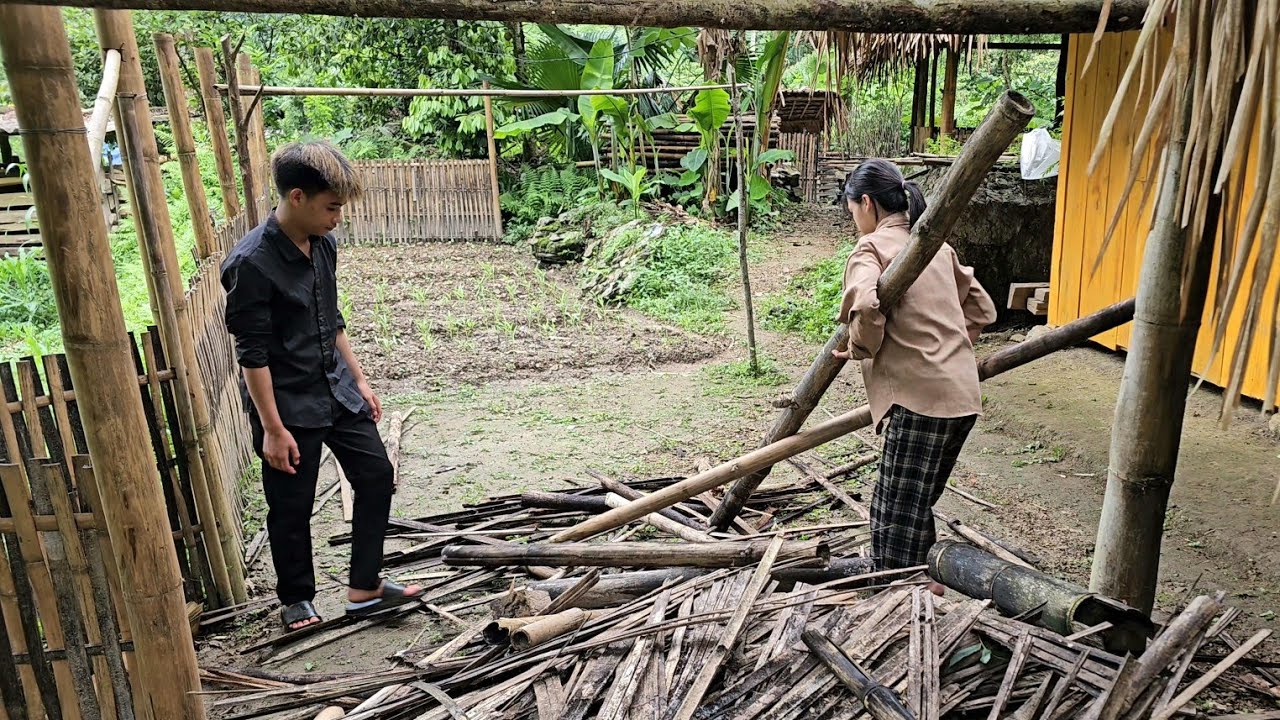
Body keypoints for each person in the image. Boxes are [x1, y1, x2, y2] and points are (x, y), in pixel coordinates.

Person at [222, 141, 422, 631]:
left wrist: (359, 378)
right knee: (292, 502)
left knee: (376, 474)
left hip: (335, 387)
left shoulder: (323, 244)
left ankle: (364, 588)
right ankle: (296, 599)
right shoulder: (250, 263)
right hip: (286, 402)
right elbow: (253, 354)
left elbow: (331, 318)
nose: (337, 218)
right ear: (296, 197)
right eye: (331, 207)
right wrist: (271, 427)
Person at [835, 159, 997, 595]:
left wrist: (860, 348)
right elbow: (982, 308)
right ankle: (926, 585)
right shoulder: (937, 248)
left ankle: (893, 601)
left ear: (866, 203)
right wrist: (946, 348)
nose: (854, 221)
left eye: (852, 210)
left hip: (920, 400)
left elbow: (867, 308)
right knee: (914, 504)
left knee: (891, 516)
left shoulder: (871, 249)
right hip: (962, 397)